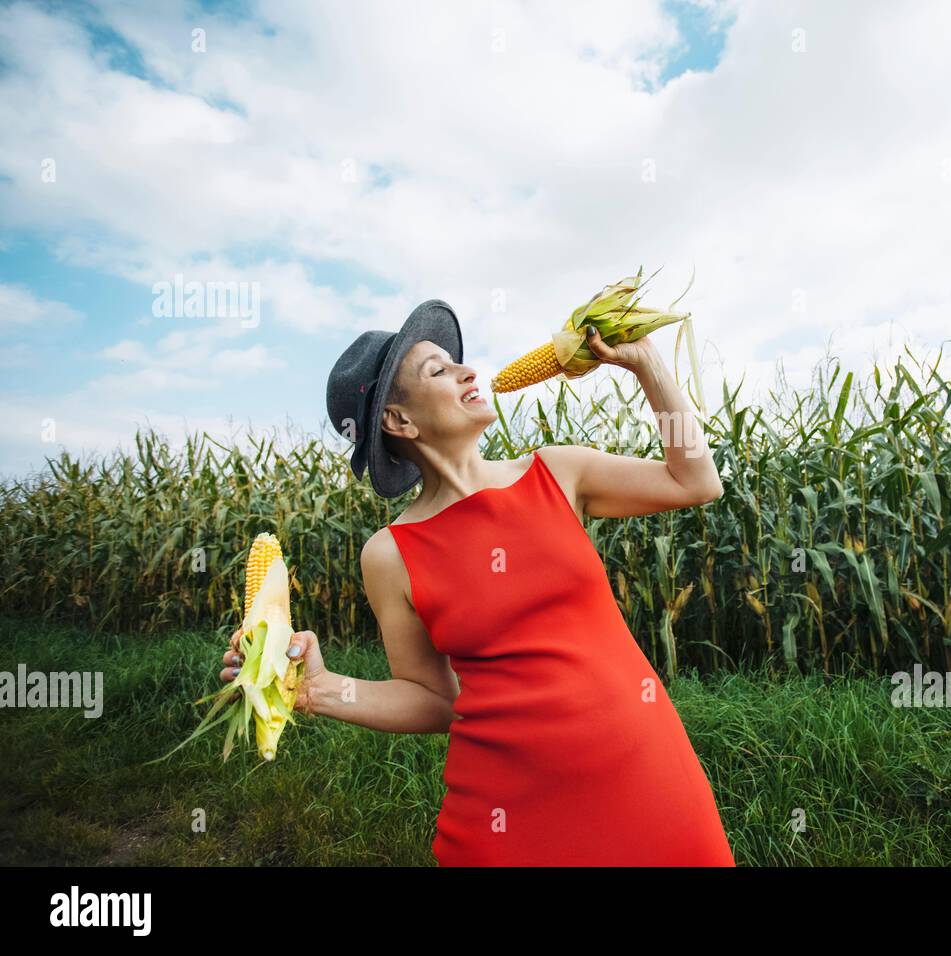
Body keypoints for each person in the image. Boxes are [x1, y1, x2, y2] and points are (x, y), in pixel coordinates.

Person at [220, 299, 735, 866]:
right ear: (399, 421)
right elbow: (432, 699)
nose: (468, 371)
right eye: (438, 371)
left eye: (457, 361)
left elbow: (694, 480)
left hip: (650, 779)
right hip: (510, 819)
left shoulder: (557, 473)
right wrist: (321, 691)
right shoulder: (390, 554)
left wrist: (648, 367)